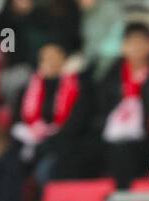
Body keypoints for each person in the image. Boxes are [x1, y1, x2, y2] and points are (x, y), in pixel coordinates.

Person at [96, 22, 149, 188]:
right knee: (112, 150)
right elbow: (100, 109)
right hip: (115, 140)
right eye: (131, 43)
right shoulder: (112, 76)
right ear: (123, 47)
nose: (136, 48)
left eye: (141, 42)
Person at [10, 40, 100, 184]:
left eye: (55, 57)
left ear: (65, 60)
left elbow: (78, 122)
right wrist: (31, 135)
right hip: (31, 141)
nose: (49, 62)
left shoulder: (80, 86)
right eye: (45, 58)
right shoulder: (26, 88)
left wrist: (49, 139)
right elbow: (17, 120)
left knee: (48, 166)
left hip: (65, 144)